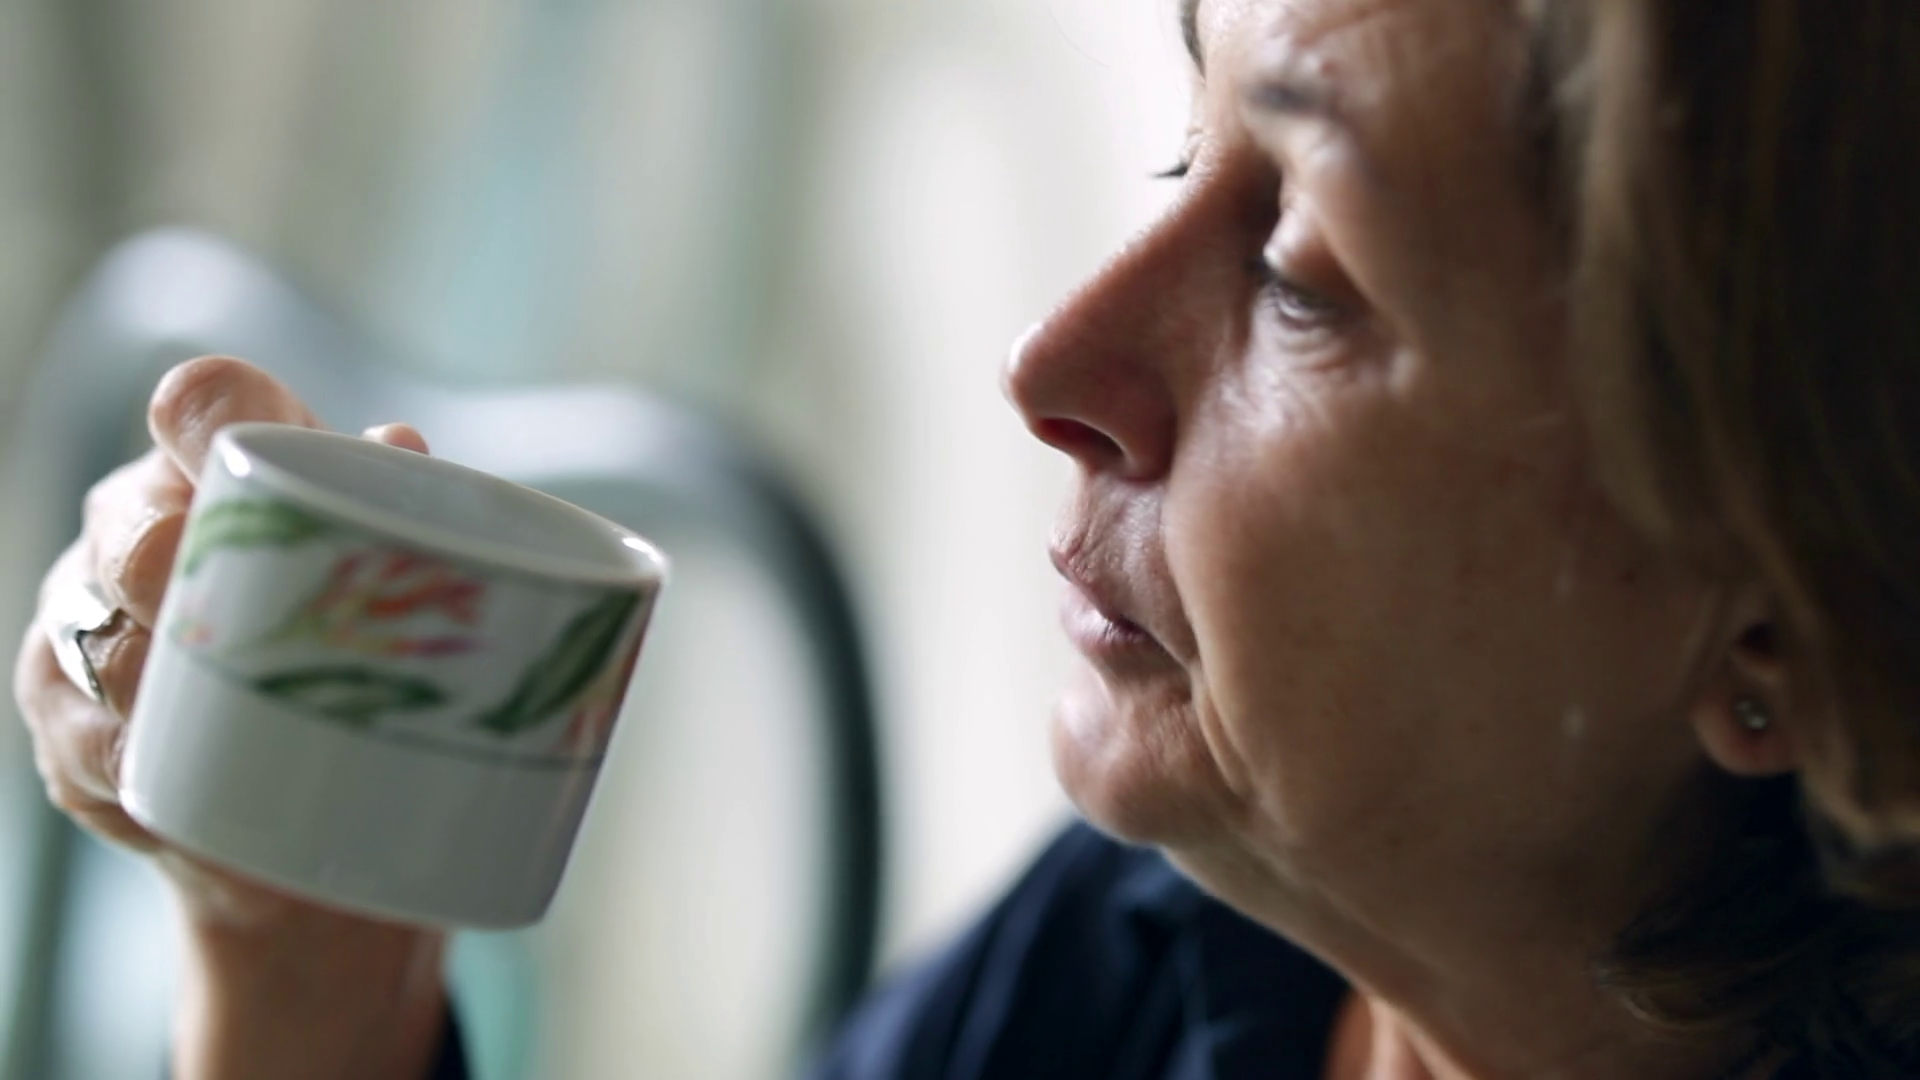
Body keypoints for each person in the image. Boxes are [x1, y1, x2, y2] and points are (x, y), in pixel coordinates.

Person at [16, 0, 1920, 1075]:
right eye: (1183, 153)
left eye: (1303, 270)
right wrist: (305, 964)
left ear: (1789, 631)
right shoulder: (1155, 970)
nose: (1053, 362)